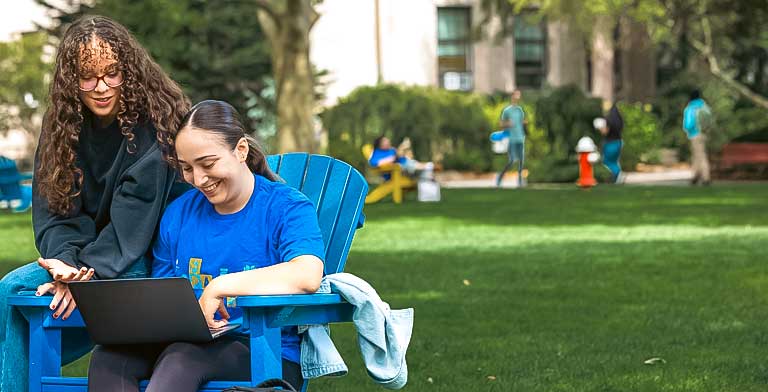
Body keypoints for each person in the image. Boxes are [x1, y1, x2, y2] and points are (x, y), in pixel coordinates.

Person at [0, 15, 190, 391]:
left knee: (15, 296)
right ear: (72, 80)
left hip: (148, 260)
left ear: (129, 72)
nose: (101, 87)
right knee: (14, 296)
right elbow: (53, 214)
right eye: (88, 77)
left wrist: (86, 277)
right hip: (95, 262)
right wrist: (67, 268)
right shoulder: (62, 128)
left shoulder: (154, 128)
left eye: (112, 73)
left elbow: (132, 227)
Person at [87, 100, 325, 391]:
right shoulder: (179, 213)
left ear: (240, 151)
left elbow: (307, 275)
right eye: (186, 168)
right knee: (109, 359)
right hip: (185, 343)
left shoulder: (287, 207)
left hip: (265, 348)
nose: (198, 179)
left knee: (181, 359)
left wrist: (219, 286)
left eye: (208, 164)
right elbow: (165, 291)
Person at [496, 89, 527, 187]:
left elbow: (522, 122)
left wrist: (524, 123)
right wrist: (507, 124)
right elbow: (501, 124)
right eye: (516, 95)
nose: (518, 97)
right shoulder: (507, 110)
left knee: (521, 162)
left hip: (520, 138)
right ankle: (499, 178)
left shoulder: (520, 110)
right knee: (512, 160)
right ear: (512, 96)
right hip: (512, 139)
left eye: (519, 95)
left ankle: (519, 182)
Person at [683, 90, 712, 185]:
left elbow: (689, 123)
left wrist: (687, 130)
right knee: (697, 155)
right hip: (704, 134)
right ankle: (695, 176)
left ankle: (706, 177)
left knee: (700, 155)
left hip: (695, 134)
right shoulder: (704, 106)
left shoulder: (691, 107)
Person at [598, 101, 624, 183]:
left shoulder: (608, 120)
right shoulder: (619, 120)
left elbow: (605, 132)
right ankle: (616, 178)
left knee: (608, 162)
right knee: (614, 161)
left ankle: (618, 175)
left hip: (610, 144)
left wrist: (599, 129)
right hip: (618, 143)